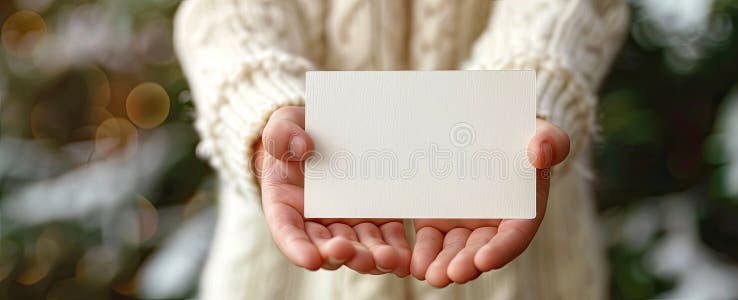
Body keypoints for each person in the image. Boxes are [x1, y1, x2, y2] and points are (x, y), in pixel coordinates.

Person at [174, 0, 628, 299]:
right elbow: (221, 14)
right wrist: (259, 98)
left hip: (525, 267)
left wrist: (523, 91)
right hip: (286, 269)